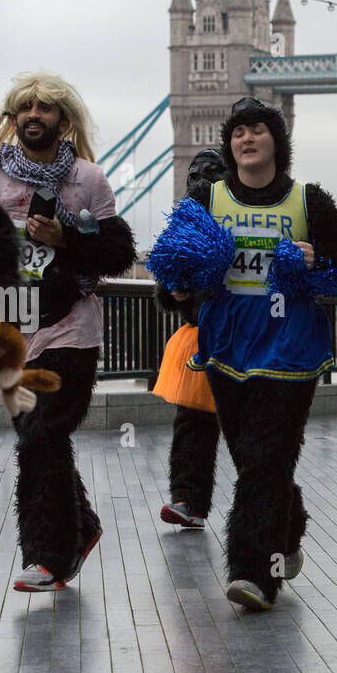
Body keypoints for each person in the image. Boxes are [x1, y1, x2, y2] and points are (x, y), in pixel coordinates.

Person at [149, 97, 337, 611]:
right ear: (230, 144)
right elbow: (170, 269)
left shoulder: (310, 201)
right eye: (239, 131)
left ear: (276, 142)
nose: (247, 139)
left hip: (290, 348)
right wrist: (176, 287)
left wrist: (315, 261)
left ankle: (252, 574)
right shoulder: (207, 197)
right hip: (225, 348)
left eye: (258, 130)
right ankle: (288, 527)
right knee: (255, 461)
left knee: (266, 456)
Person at [0, 73, 135, 592]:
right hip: (12, 329)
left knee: (42, 435)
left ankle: (48, 558)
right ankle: (84, 527)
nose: (34, 115)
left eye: (45, 108)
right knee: (41, 437)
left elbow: (117, 253)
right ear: (13, 119)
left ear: (63, 119)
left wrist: (68, 236)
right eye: (24, 108)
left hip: (71, 328)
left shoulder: (87, 180)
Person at [153, 149, 225, 528]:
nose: (202, 183)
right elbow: (164, 288)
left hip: (243, 337)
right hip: (201, 340)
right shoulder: (182, 228)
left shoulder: (238, 221)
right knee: (192, 423)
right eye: (197, 177)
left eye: (209, 177)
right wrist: (174, 290)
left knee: (248, 434)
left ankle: (274, 513)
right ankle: (188, 501)